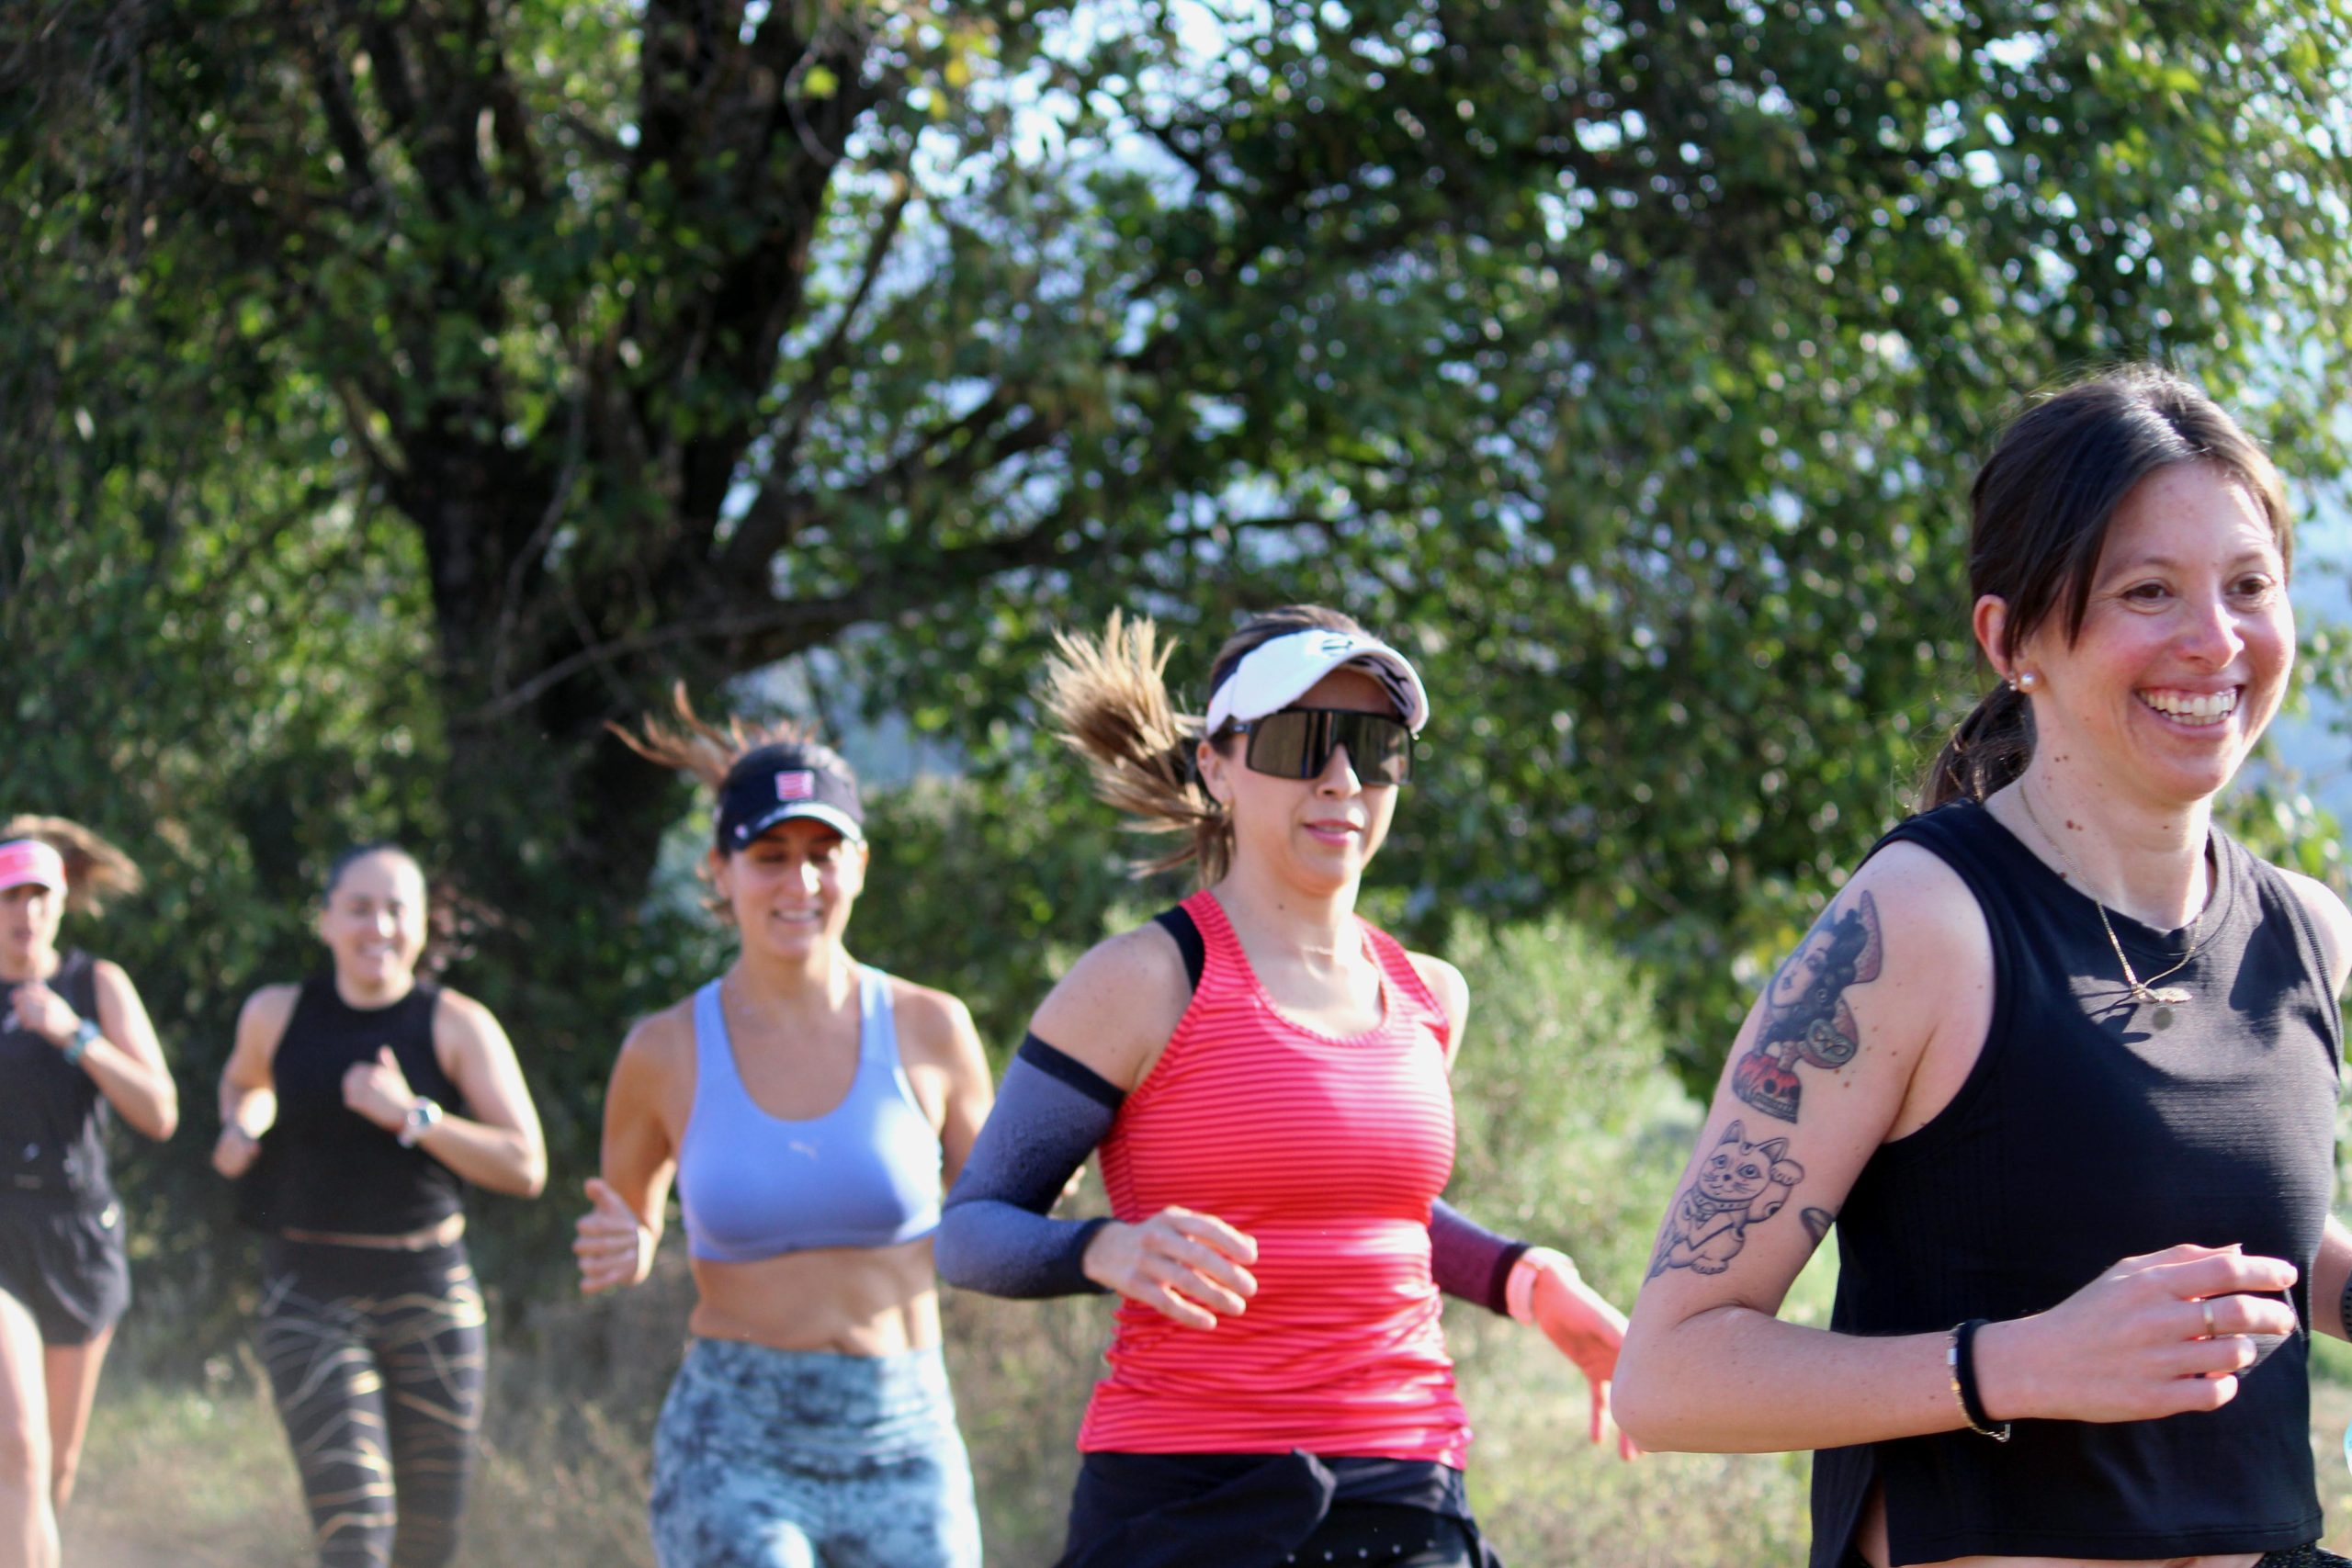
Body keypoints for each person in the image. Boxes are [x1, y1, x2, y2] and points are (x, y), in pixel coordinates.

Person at [1611, 367, 2352, 1568]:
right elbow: (1668, 1374)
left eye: (2248, 585)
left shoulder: (2307, 930)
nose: (2214, 639)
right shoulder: (1916, 922)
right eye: (2147, 591)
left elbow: (2181, 1204)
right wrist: (2016, 1361)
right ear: (2012, 640)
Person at [933, 605, 1636, 1568]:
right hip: (1188, 1496)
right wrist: (1105, 1247)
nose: (1341, 779)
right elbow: (970, 1232)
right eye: (1303, 742)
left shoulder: (1431, 995)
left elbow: (1373, 1216)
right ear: (1216, 766)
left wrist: (1528, 1282)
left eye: (1373, 748)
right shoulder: (1141, 982)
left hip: (1407, 1484)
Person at [575, 694, 995, 1568]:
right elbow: (637, 1217)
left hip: (905, 1432)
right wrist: (628, 1237)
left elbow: (996, 1211)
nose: (800, 883)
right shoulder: (662, 1052)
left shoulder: (933, 1029)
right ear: (722, 871)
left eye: (822, 854)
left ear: (861, 865)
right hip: (734, 1439)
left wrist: (1050, 1196)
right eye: (770, 856)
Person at [214, 842, 546, 1568]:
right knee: (356, 1535)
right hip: (310, 1293)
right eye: (360, 908)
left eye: (398, 909)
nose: (379, 927)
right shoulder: (276, 1012)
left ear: (422, 925)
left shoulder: (458, 1023)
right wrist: (242, 1122)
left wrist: (413, 1116)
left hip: (430, 1294)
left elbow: (526, 1164)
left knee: (428, 1544)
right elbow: (245, 1081)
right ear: (327, 919)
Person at [0, 818, 176, 1568]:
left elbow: (160, 1112)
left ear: (64, 898)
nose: (26, 912)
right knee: (21, 1449)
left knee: (55, 1470)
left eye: (40, 894)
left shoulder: (96, 984)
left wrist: (75, 1035)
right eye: (10, 894)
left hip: (78, 1235)